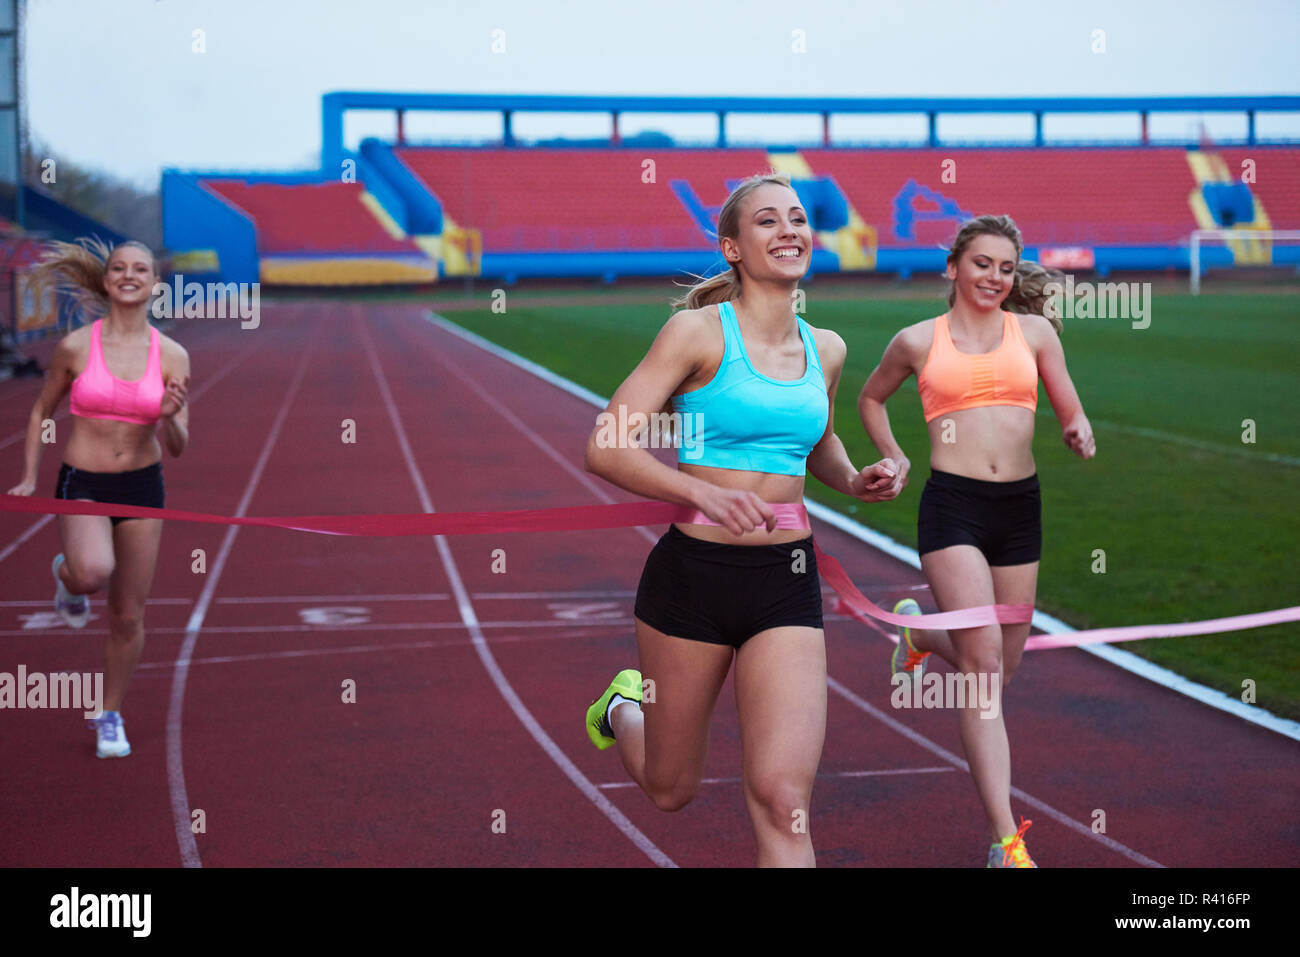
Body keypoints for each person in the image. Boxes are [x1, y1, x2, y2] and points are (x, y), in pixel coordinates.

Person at [582, 172, 902, 867]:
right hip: (692, 578)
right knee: (671, 788)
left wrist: (853, 477)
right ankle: (620, 709)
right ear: (731, 246)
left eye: (796, 217)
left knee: (782, 795)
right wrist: (702, 495)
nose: (789, 229)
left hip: (786, 578)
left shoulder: (828, 349)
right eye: (766, 221)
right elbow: (604, 444)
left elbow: (812, 441)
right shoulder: (696, 333)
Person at [857, 215, 1094, 867]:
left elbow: (1067, 402)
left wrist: (1077, 428)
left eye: (1006, 267)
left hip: (1019, 508)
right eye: (983, 263)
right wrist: (893, 455)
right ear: (953, 267)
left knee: (1001, 667)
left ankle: (919, 635)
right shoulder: (916, 341)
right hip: (952, 509)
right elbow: (871, 399)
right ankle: (1004, 840)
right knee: (984, 667)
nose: (995, 276)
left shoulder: (1036, 333)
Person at [8, 238, 190, 759]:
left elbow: (178, 448)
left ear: (156, 284)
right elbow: (42, 411)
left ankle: (108, 713)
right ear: (107, 280)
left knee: (128, 615)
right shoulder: (76, 347)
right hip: (83, 483)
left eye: (140, 269)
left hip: (142, 486)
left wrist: (170, 415)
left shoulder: (173, 355)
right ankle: (66, 575)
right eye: (118, 268)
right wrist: (28, 475)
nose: (128, 275)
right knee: (92, 572)